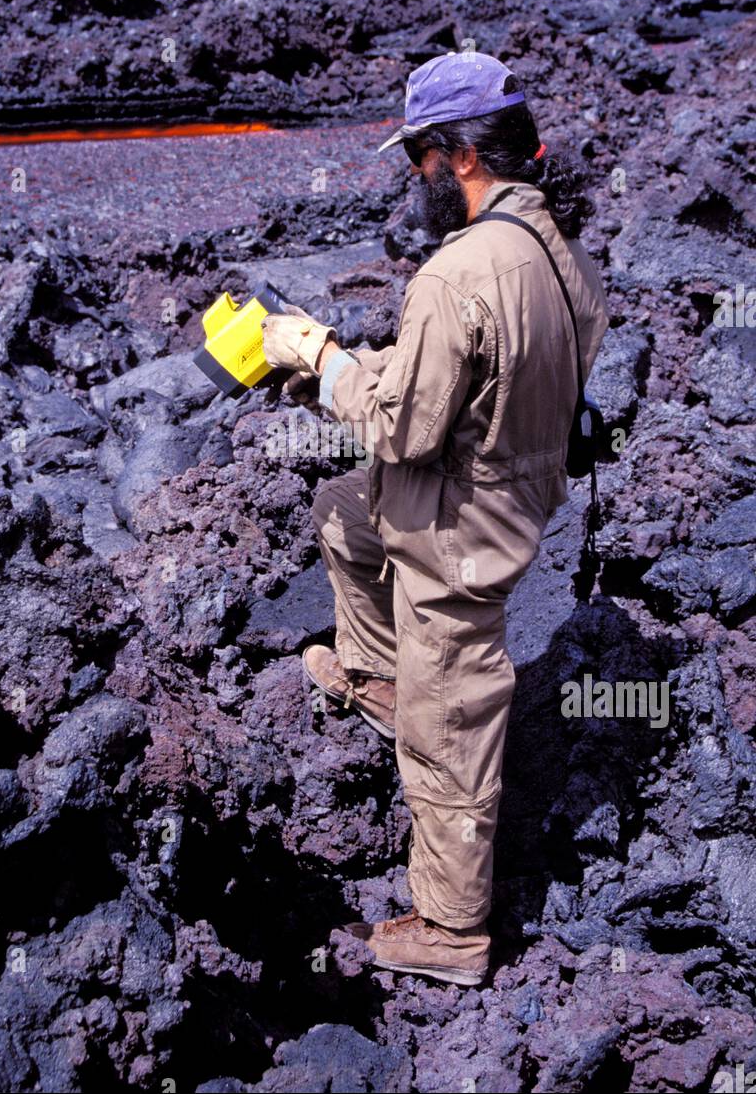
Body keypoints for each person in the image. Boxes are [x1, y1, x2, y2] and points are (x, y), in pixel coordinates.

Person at [261, 51, 610, 988]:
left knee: (451, 715)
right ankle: (378, 675)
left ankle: (454, 929)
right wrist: (353, 370)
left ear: (455, 156)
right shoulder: (562, 251)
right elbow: (465, 391)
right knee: (343, 509)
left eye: (417, 161)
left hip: (463, 530)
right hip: (518, 488)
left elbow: (404, 431)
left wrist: (326, 362)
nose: (414, 182)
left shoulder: (458, 273)